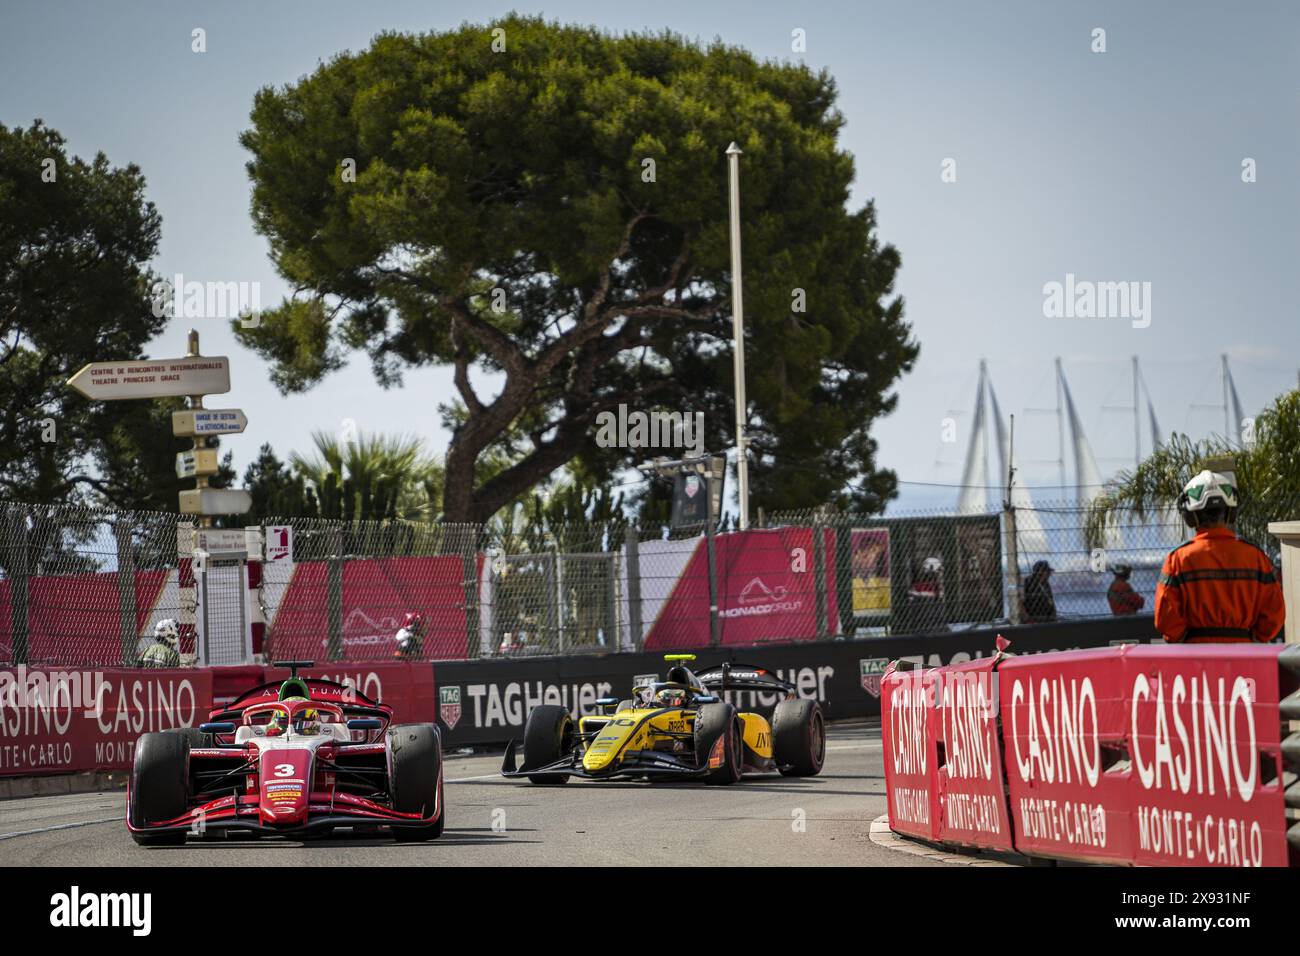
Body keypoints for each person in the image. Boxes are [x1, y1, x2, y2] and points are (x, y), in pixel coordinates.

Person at [1155, 470, 1285, 644]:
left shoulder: (1178, 559)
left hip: (1196, 660)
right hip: (1244, 656)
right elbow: (1274, 615)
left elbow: (1166, 619)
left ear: (1191, 516)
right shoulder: (1255, 557)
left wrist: (1187, 640)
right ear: (1230, 512)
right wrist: (1253, 639)